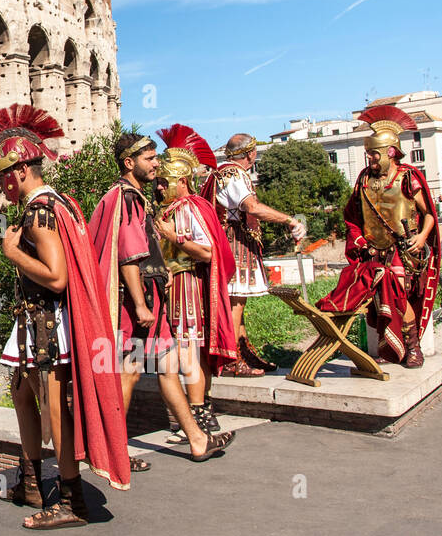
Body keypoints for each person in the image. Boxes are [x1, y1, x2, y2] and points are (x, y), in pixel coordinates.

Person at [0, 105, 131, 528]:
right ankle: (29, 478)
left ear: (22, 168)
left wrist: (12, 254)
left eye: (3, 174)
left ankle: (71, 498)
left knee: (56, 409)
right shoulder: (49, 203)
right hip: (34, 321)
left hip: (49, 321)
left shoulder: (40, 211)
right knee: (22, 394)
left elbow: (58, 278)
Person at [89, 132, 236, 465]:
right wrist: (140, 304)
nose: (157, 164)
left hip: (151, 296)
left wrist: (161, 274)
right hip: (136, 302)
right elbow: (128, 256)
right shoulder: (126, 197)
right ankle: (113, 454)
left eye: (156, 158)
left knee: (169, 369)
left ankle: (198, 440)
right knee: (128, 372)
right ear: (129, 163)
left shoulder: (135, 197)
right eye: (149, 159)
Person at [317, 106, 441, 368]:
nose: (370, 159)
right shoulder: (363, 179)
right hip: (372, 251)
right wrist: (359, 239)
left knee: (399, 296)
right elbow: (351, 215)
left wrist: (421, 239)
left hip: (403, 251)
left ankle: (412, 347)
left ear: (391, 152)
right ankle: (388, 350)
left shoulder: (408, 177)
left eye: (374, 154)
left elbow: (429, 213)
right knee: (377, 300)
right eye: (369, 154)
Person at [152, 125, 239, 437]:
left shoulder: (190, 207)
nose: (159, 187)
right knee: (192, 351)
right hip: (178, 287)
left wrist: (172, 237)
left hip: (186, 287)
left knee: (190, 351)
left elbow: (207, 251)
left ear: (182, 181)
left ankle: (200, 413)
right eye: (159, 181)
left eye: (165, 181)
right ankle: (200, 410)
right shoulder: (173, 207)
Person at [201, 133, 306, 375]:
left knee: (239, 300)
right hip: (234, 240)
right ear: (251, 153)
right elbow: (251, 207)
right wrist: (288, 220)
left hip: (232, 238)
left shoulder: (221, 172)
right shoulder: (234, 173)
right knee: (234, 300)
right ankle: (229, 360)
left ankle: (243, 351)